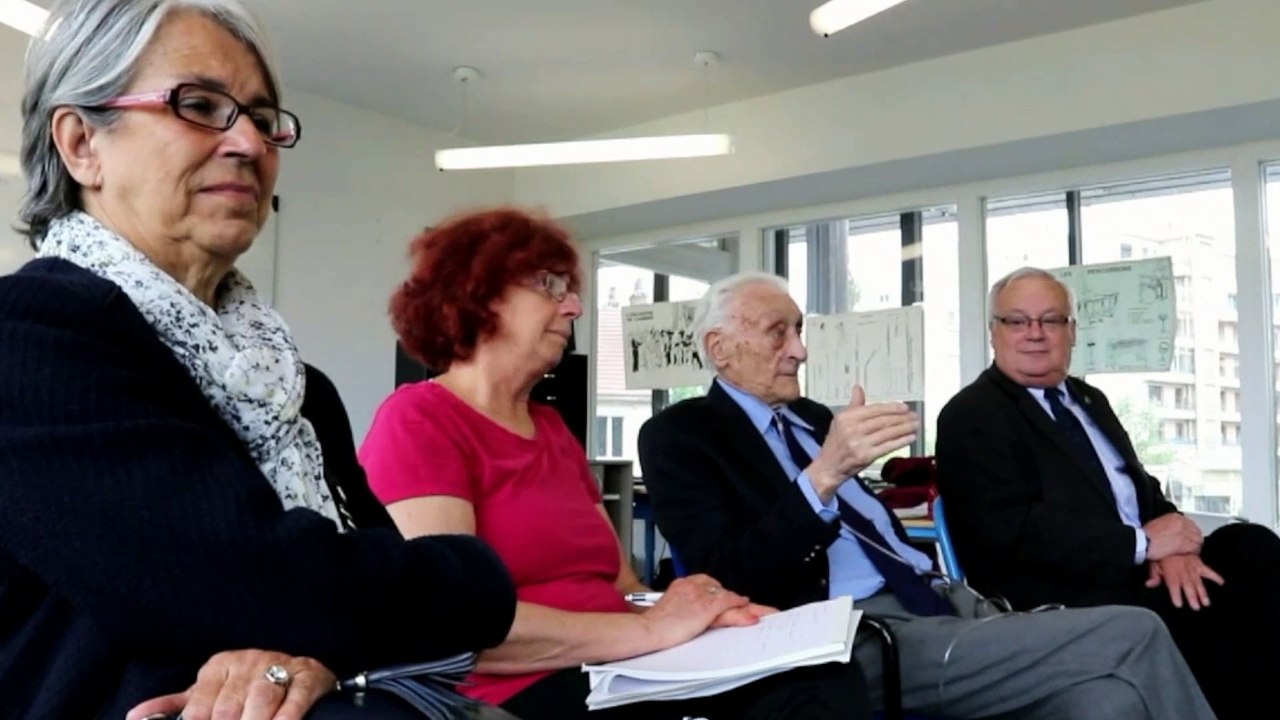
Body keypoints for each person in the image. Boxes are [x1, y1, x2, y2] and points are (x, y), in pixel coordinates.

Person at [0, 2, 517, 718]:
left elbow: (341, 611)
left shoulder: (302, 394)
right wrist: (476, 576)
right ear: (83, 142)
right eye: (200, 104)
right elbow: (249, 586)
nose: (248, 141)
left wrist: (310, 657)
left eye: (264, 117)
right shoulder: (31, 336)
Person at [358, 208, 873, 720]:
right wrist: (651, 631)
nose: (575, 308)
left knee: (821, 676)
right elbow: (453, 624)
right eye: (550, 287)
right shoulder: (419, 419)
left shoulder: (552, 430)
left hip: (619, 664)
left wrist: (700, 611)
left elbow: (624, 589)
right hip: (517, 689)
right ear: (478, 294)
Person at [638, 271, 1215, 720]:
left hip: (941, 602)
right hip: (847, 635)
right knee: (1133, 630)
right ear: (720, 348)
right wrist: (825, 475)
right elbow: (726, 574)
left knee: (1106, 704)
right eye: (777, 333)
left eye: (799, 330)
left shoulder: (810, 418)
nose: (800, 350)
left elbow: (870, 526)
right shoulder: (682, 436)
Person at [935, 265, 1280, 719]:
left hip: (1133, 564)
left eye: (1051, 320)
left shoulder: (1087, 398)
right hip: (1062, 588)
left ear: (1072, 332)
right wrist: (1143, 545)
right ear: (995, 332)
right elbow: (1013, 531)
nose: (1035, 334)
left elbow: (1139, 492)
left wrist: (1176, 547)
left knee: (1251, 547)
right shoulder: (971, 414)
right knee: (1209, 612)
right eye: (1017, 321)